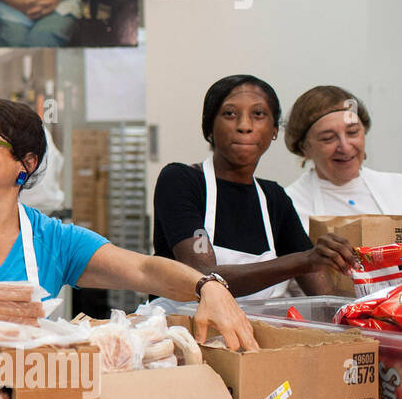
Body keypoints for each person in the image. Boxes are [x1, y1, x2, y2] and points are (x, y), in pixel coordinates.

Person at [0, 98, 258, 349]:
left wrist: (208, 286)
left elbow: (144, 270)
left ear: (27, 162)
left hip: (30, 396)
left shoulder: (54, 240)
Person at [152, 75, 354, 304]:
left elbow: (324, 296)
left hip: (251, 335)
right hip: (178, 332)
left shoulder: (274, 199)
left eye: (258, 114)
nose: (244, 126)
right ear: (209, 128)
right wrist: (305, 259)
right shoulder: (182, 181)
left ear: (275, 130)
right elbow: (204, 276)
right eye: (230, 114)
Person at [283, 86, 402, 230]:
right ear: (304, 148)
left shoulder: (396, 187)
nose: (345, 147)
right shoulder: (290, 205)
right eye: (328, 138)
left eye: (352, 132)